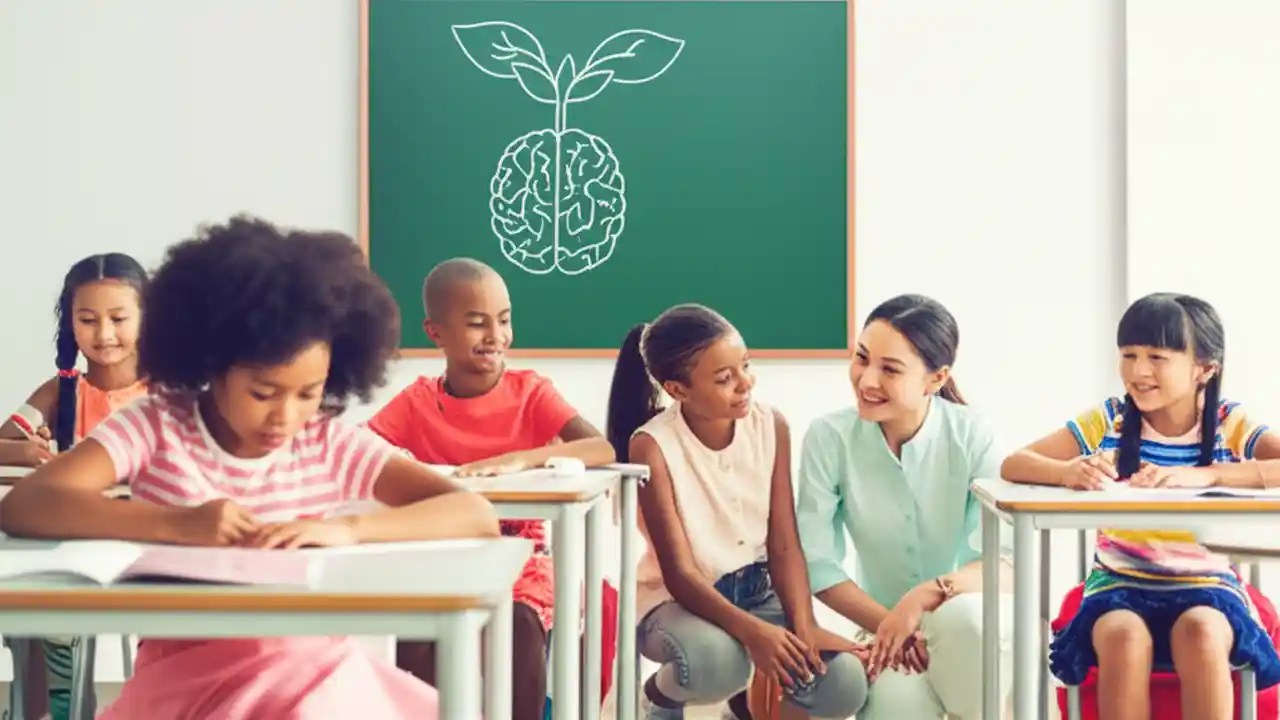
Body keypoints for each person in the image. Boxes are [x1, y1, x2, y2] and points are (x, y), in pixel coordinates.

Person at [0, 216, 501, 720]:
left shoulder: (324, 440)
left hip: (313, 665)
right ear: (213, 366)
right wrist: (177, 524)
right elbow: (26, 504)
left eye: (309, 393)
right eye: (263, 393)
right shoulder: (158, 425)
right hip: (183, 675)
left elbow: (471, 511)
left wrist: (348, 529)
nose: (285, 416)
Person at [1001, 292, 1280, 720]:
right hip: (1119, 584)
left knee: (1204, 632)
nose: (1138, 371)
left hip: (1207, 586)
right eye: (1128, 355)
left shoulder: (1227, 422)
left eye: (1157, 357)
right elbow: (1014, 462)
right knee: (1123, 639)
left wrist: (1206, 475)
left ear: (1206, 368)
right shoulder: (1109, 419)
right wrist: (1067, 472)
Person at [367, 257, 616, 720]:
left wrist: (519, 459)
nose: (496, 336)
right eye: (477, 324)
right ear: (436, 333)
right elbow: (361, 449)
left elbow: (601, 448)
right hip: (445, 554)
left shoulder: (531, 393)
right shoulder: (418, 401)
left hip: (522, 558)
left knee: (520, 627)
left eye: (504, 320)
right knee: (415, 634)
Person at [606, 303, 868, 720]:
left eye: (745, 365)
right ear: (677, 389)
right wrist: (753, 632)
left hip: (761, 592)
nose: (745, 384)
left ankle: (741, 709)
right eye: (725, 378)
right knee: (717, 663)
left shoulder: (772, 426)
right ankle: (657, 698)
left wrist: (803, 625)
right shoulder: (652, 445)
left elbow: (783, 543)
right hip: (680, 601)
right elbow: (680, 572)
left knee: (843, 682)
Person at [796, 294, 1013, 720]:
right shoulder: (829, 438)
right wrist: (891, 624)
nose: (866, 380)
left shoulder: (974, 434)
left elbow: (1004, 559)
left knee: (964, 622)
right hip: (889, 636)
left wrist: (923, 598)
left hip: (971, 624)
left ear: (936, 378)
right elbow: (817, 564)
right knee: (895, 710)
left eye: (890, 369)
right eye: (862, 358)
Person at [0, 252, 149, 720]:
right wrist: (23, 451)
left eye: (118, 318)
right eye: (88, 319)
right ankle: (43, 709)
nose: (104, 335)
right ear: (70, 324)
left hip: (141, 549)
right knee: (33, 614)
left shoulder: (166, 394)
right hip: (67, 549)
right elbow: (4, 441)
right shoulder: (61, 391)